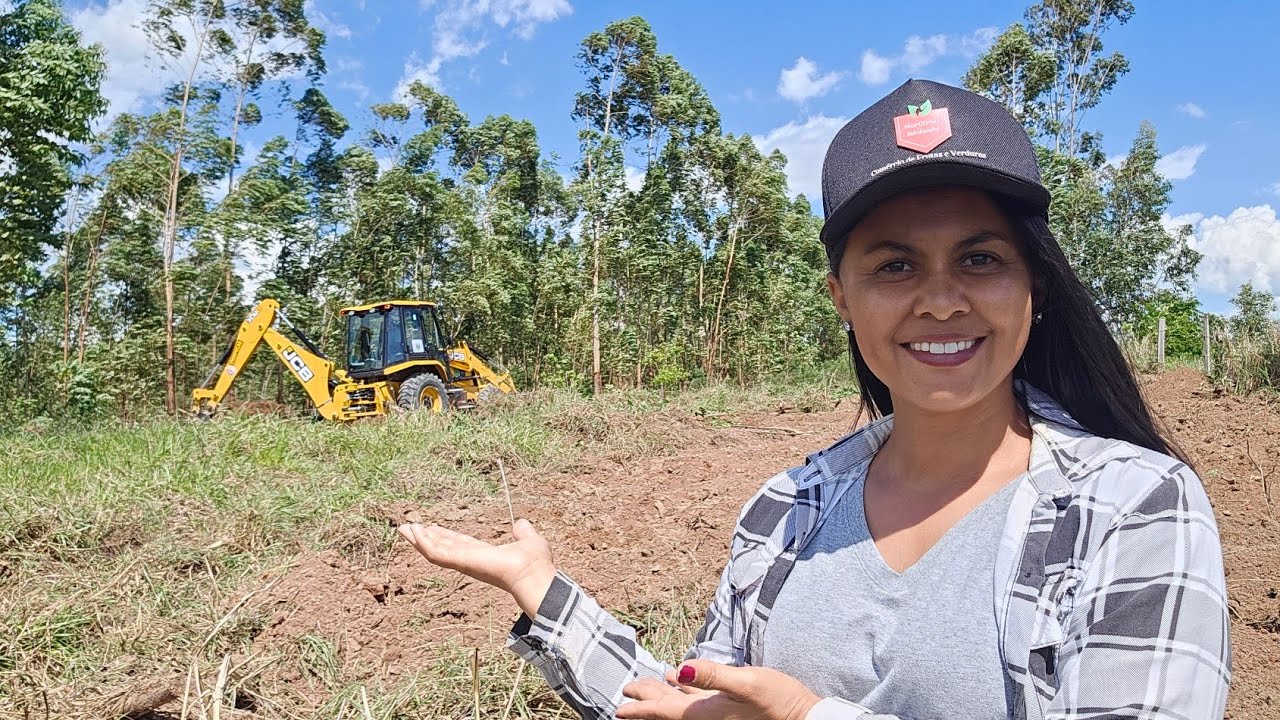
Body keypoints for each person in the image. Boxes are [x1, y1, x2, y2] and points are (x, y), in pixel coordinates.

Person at [397, 79, 1231, 720]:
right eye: (895, 266)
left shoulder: (1133, 507)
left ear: (1034, 287)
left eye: (979, 259)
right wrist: (546, 596)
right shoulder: (788, 508)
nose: (940, 301)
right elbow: (699, 704)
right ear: (841, 297)